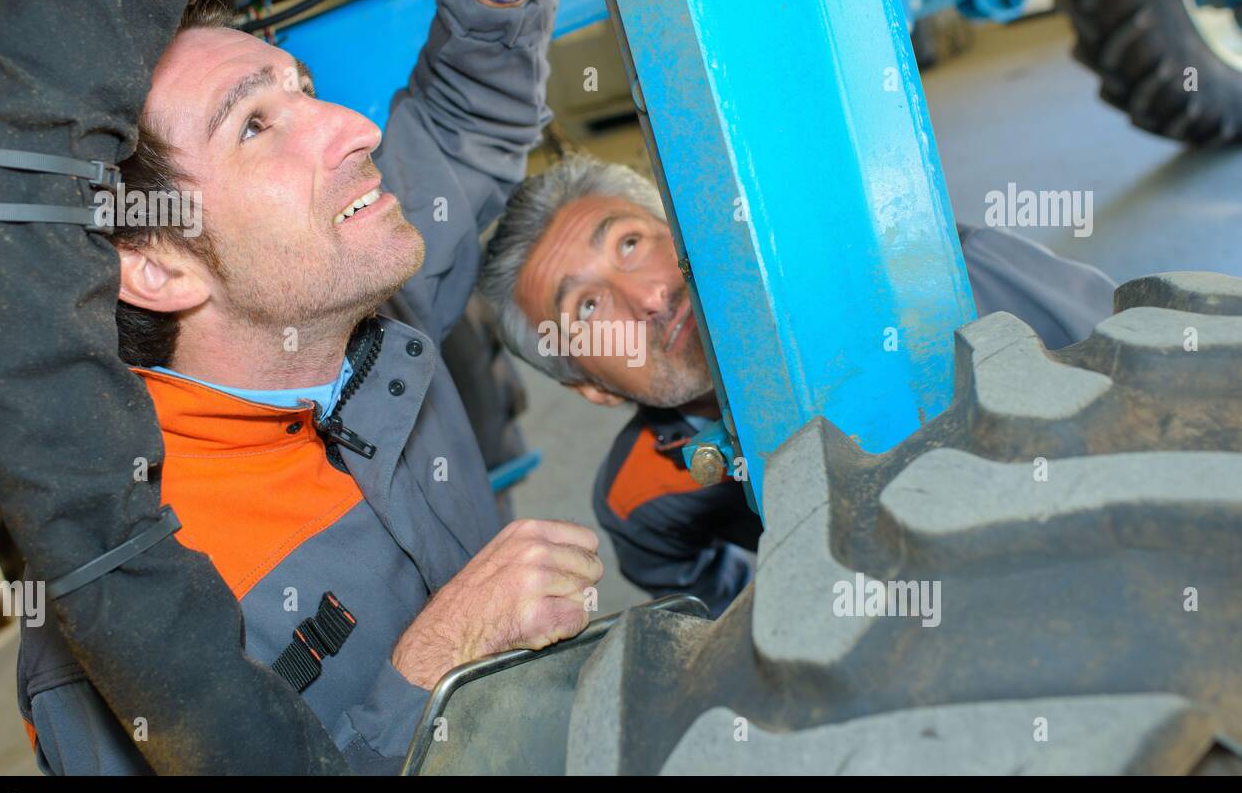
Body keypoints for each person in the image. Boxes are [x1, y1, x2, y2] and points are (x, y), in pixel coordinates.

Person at [17, 0, 604, 776]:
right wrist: (424, 678)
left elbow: (456, 130)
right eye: (254, 124)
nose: (354, 127)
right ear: (157, 265)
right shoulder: (112, 626)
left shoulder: (356, 305)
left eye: (300, 86)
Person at [478, 153, 1116, 616]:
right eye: (587, 308)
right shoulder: (641, 499)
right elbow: (718, 622)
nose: (648, 295)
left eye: (631, 242)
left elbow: (1141, 369)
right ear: (593, 387)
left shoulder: (950, 278)